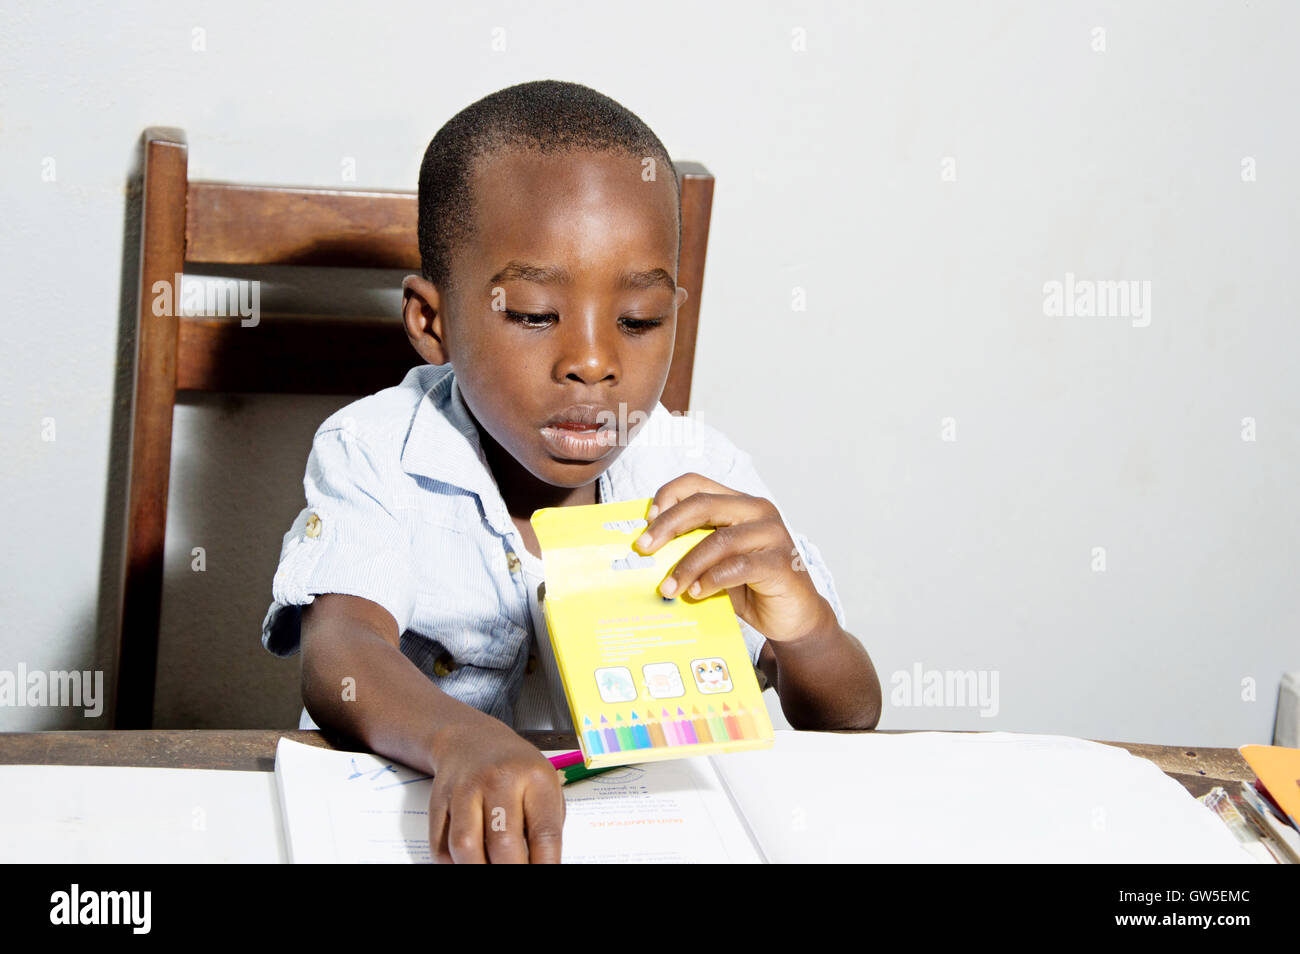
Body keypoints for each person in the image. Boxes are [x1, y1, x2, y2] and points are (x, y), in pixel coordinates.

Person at [261, 79, 881, 864]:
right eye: (532, 314)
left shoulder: (698, 472)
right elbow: (341, 651)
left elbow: (851, 719)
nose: (592, 363)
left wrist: (807, 630)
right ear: (433, 322)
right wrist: (459, 739)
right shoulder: (377, 451)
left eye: (638, 321)